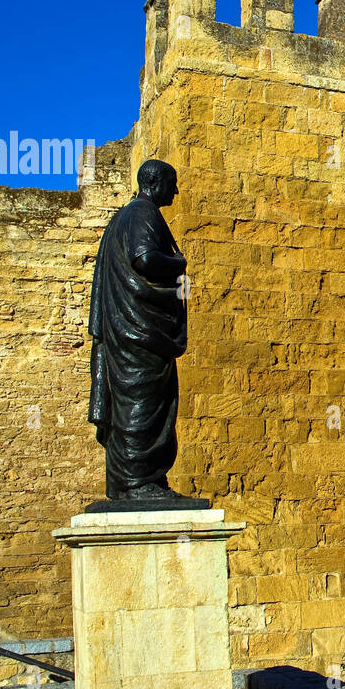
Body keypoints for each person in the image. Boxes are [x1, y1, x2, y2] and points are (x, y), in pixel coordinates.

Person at [88, 159, 191, 505]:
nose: (175, 191)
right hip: (140, 332)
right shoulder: (143, 213)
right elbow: (145, 259)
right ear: (157, 182)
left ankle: (127, 484)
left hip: (128, 330)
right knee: (143, 403)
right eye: (172, 183)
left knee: (135, 402)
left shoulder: (121, 218)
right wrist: (180, 263)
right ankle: (138, 483)